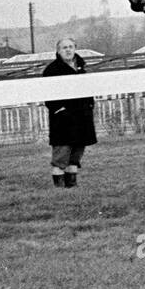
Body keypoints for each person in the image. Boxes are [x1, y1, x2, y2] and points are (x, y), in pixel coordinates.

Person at [43, 38, 96, 187]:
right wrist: (60, 110)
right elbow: (47, 95)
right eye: (64, 47)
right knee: (61, 154)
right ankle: (59, 188)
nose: (68, 50)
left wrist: (90, 105)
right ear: (58, 51)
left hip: (83, 116)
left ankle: (72, 186)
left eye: (71, 47)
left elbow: (89, 88)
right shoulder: (51, 70)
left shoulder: (82, 67)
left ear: (75, 48)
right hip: (63, 119)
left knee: (76, 155)